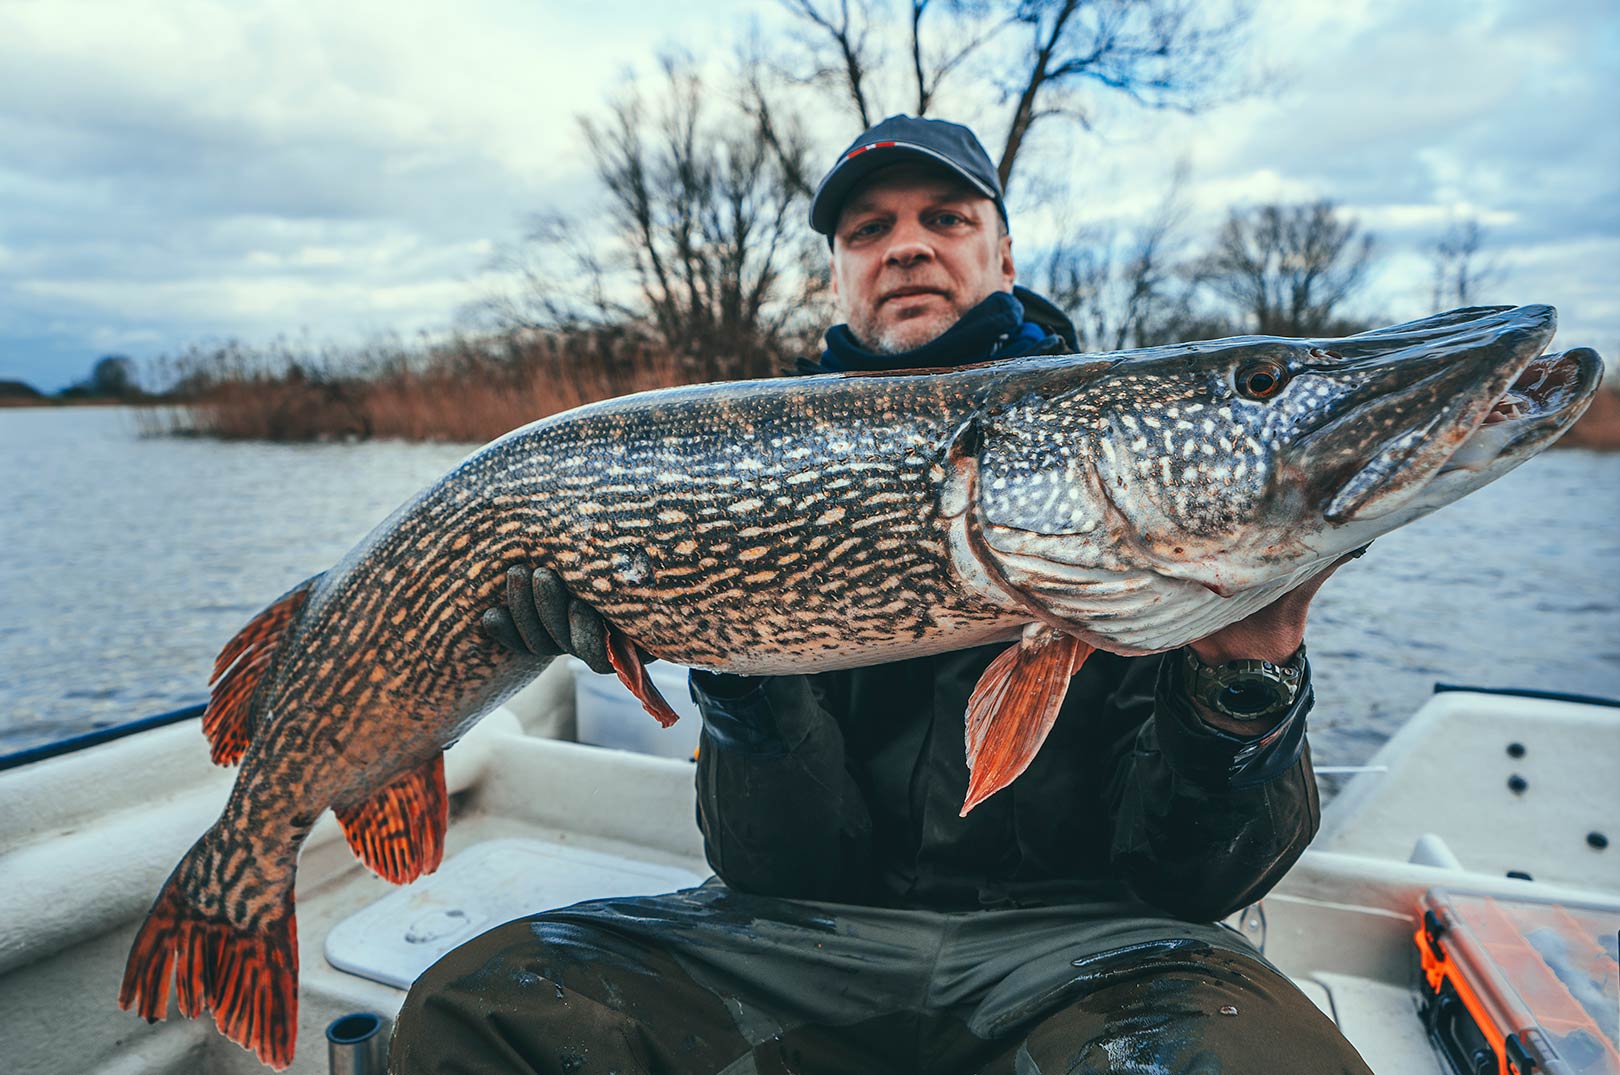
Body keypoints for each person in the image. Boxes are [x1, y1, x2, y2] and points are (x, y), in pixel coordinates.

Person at [390, 116, 1374, 1074]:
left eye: (945, 218)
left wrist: (1244, 684)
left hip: (1090, 957)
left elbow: (1194, 883)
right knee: (471, 1012)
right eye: (870, 229)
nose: (906, 245)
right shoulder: (741, 467)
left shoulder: (1128, 451)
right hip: (804, 945)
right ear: (838, 275)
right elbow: (777, 869)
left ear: (1005, 255)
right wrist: (735, 666)